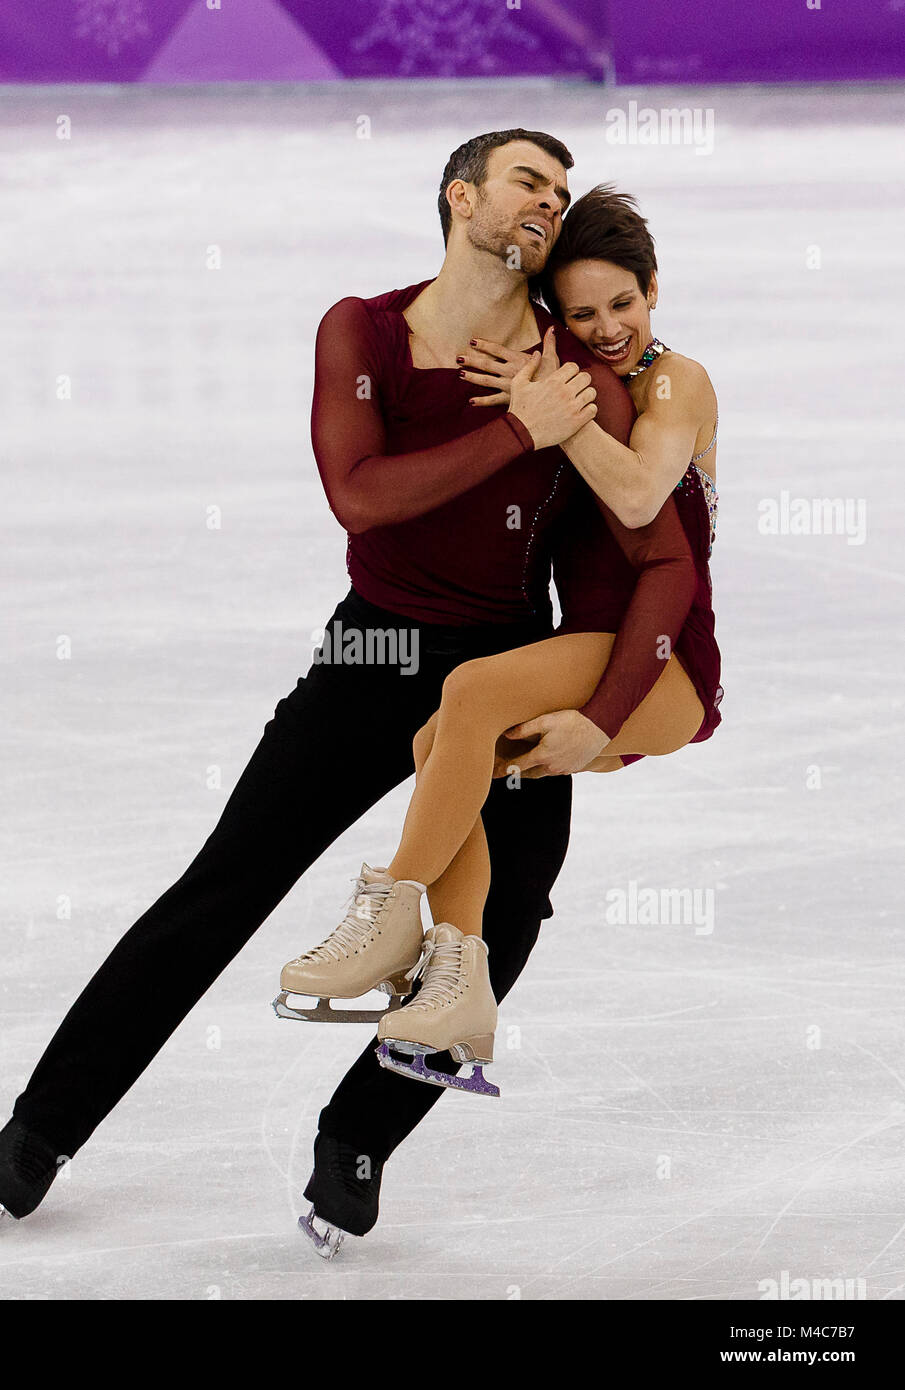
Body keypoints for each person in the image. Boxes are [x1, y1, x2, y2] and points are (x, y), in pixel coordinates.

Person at [0, 131, 687, 1258]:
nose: (549, 200)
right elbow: (358, 496)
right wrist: (512, 430)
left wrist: (617, 699)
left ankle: (358, 1137)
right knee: (227, 884)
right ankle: (41, 1127)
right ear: (461, 197)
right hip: (372, 657)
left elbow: (653, 531)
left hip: (501, 664)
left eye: (559, 187)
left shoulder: (573, 368)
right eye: (526, 181)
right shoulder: (363, 328)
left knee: (504, 922)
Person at [276, 188, 723, 1164]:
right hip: (593, 643)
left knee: (468, 695)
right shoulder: (568, 375)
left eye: (622, 304)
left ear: (654, 292)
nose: (604, 330)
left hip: (660, 657)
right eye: (581, 313)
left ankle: (393, 913)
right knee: (445, 742)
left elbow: (646, 498)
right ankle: (458, 988)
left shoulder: (672, 384)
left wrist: (547, 420)